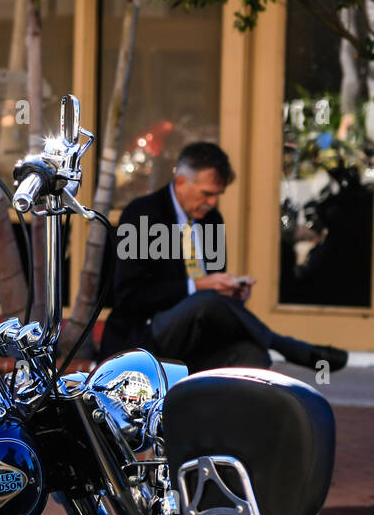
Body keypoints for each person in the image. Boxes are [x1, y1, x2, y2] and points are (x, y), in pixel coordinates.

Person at [100, 141, 348, 373]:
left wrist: (230, 293)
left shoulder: (212, 219)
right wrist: (198, 286)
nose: (213, 202)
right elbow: (129, 297)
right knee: (205, 299)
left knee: (253, 356)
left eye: (218, 194)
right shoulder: (142, 214)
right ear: (181, 182)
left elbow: (213, 291)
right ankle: (288, 346)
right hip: (146, 337)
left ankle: (233, 416)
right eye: (207, 193)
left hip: (198, 338)